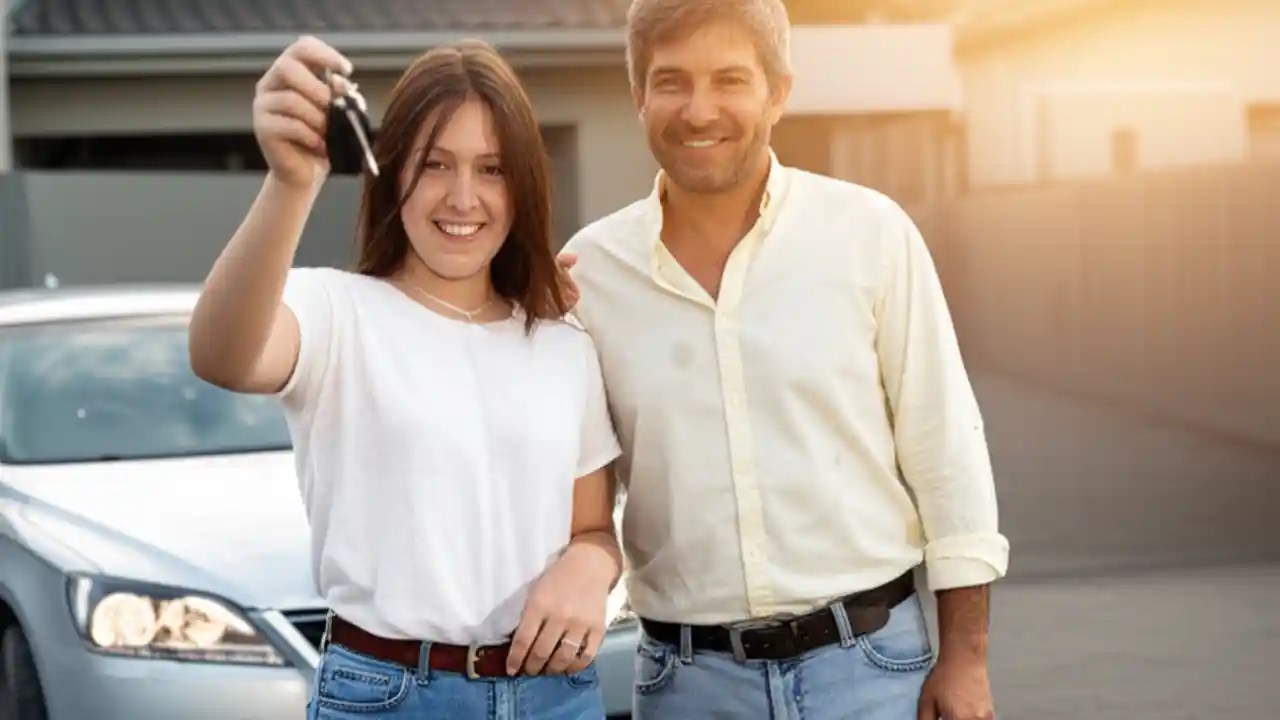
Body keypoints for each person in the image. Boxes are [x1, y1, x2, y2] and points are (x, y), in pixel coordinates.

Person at [558, 1, 1009, 718]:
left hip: (874, 673)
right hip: (686, 688)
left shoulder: (870, 234)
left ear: (779, 92)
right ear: (639, 95)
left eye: (730, 79)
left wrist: (967, 659)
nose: (699, 109)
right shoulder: (589, 277)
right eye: (672, 81)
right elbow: (572, 493)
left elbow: (946, 450)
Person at [189, 36, 623, 719]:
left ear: (525, 186)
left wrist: (591, 568)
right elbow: (222, 355)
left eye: (491, 169)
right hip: (386, 696)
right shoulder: (335, 311)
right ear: (393, 174)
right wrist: (290, 182)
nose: (462, 197)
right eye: (435, 165)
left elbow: (593, 529)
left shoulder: (562, 341)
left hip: (555, 696)